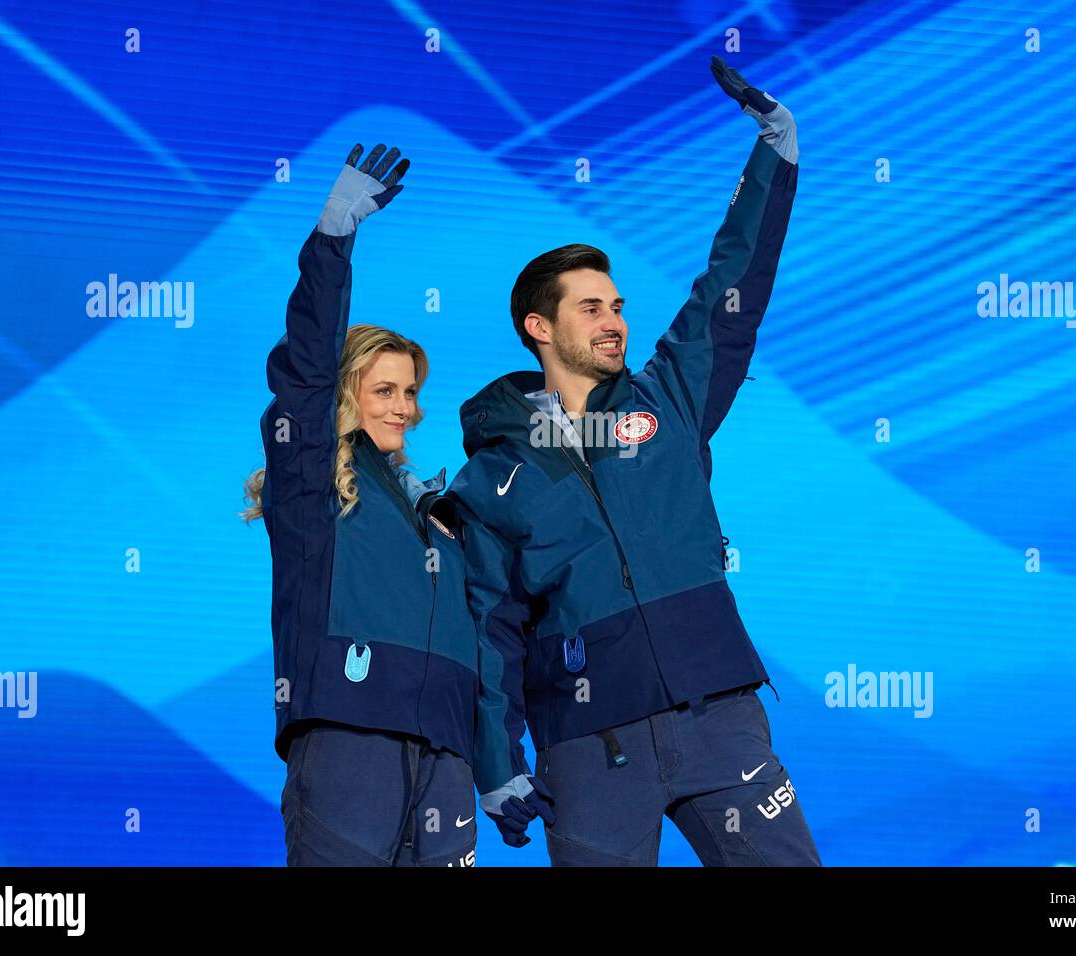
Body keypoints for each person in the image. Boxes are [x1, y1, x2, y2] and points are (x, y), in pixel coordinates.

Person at [448, 57, 821, 865]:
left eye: (617, 305)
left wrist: (773, 154)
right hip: (589, 744)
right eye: (592, 309)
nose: (614, 321)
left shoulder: (670, 399)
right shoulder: (490, 480)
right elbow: (488, 628)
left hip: (718, 715)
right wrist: (495, 763)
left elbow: (731, 290)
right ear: (538, 329)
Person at [242, 142, 480, 867]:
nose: (405, 408)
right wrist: (333, 240)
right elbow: (303, 378)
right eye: (385, 390)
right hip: (349, 741)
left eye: (411, 391)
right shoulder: (314, 486)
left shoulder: (442, 517)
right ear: (347, 393)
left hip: (446, 755)